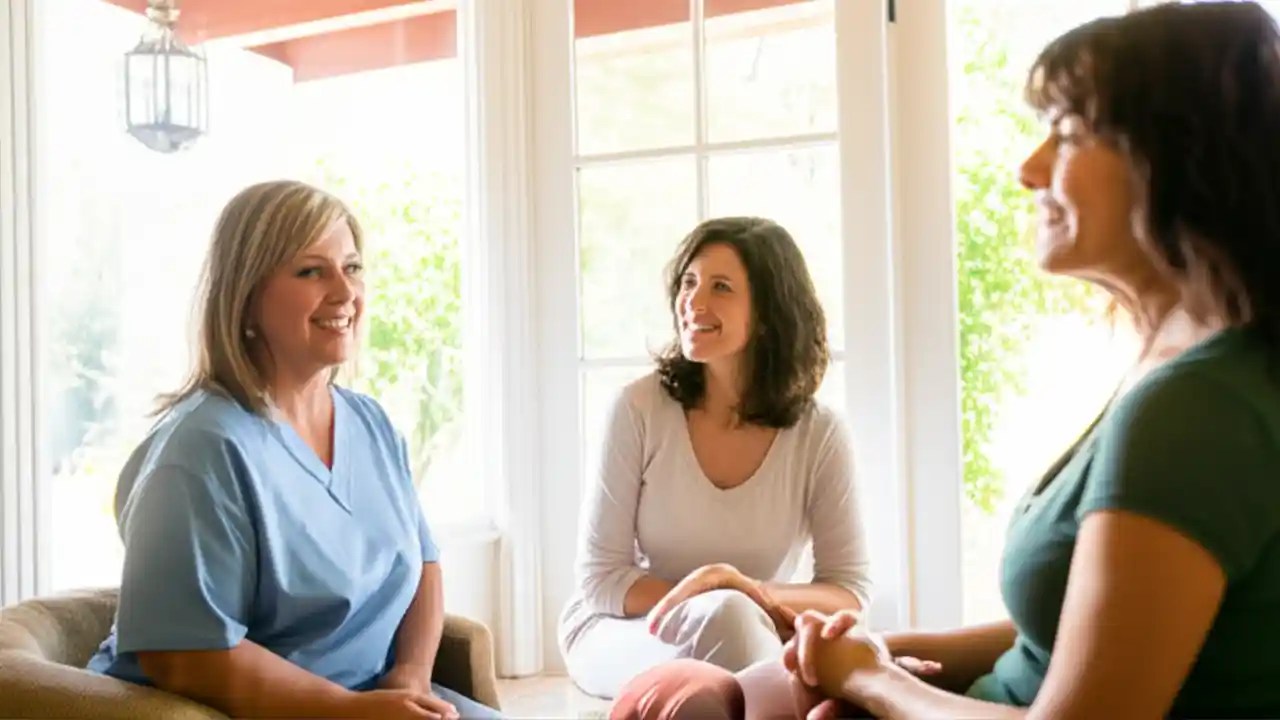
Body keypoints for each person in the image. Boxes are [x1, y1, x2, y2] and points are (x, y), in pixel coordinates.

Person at [610, 2, 1280, 718]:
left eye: (1067, 134)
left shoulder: (1198, 412)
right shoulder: (1180, 372)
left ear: (1173, 157)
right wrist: (865, 654)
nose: (1028, 169)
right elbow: (1064, 635)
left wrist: (876, 683)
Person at [85, 180, 500, 720]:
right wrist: (351, 711)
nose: (345, 292)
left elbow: (423, 563)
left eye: (351, 267)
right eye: (311, 271)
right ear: (247, 296)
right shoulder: (199, 450)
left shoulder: (369, 423)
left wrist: (409, 678)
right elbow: (182, 655)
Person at [559, 216, 873, 699]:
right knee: (730, 627)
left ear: (769, 313)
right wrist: (713, 595)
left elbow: (847, 592)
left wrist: (747, 591)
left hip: (748, 630)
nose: (694, 302)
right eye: (689, 282)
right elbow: (601, 580)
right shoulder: (637, 409)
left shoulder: (820, 434)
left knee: (728, 650)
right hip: (620, 631)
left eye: (720, 287)